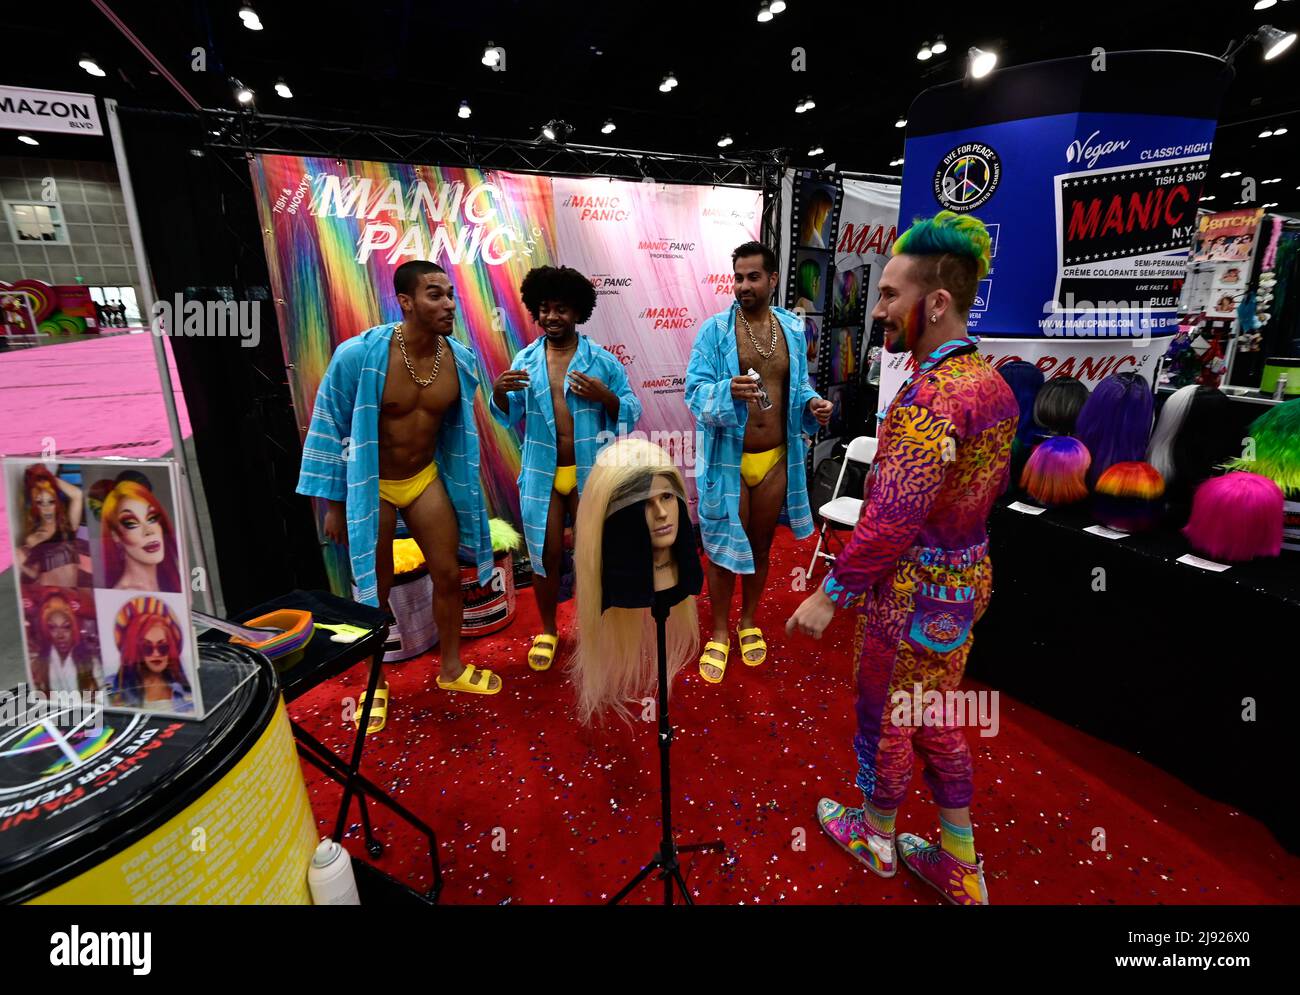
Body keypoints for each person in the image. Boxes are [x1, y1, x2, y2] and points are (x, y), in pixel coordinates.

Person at [787, 211, 1019, 906]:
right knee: (937, 710)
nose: (878, 310)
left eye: (889, 294)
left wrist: (831, 594)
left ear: (936, 302)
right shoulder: (995, 385)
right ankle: (960, 858)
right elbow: (986, 490)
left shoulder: (930, 397)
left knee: (889, 710)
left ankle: (877, 833)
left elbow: (890, 518)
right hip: (964, 581)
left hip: (911, 590)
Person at [298, 260, 500, 717]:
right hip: (374, 485)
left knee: (449, 574)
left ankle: (451, 668)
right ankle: (376, 684)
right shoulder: (359, 356)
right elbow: (330, 424)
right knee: (375, 590)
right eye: (435, 295)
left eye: (450, 294)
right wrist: (334, 504)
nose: (449, 304)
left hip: (424, 478)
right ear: (406, 302)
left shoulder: (460, 360)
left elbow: (456, 431)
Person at [684, 241, 832, 683]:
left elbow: (798, 389)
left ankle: (748, 621)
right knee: (722, 551)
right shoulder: (713, 331)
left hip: (776, 459)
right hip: (728, 459)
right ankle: (718, 632)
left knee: (762, 544)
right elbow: (694, 392)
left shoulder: (791, 328)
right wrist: (724, 392)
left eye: (752, 277)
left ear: (771, 279)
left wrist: (815, 405)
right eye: (737, 277)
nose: (743, 286)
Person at [490, 265, 641, 671]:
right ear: (535, 313)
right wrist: (499, 394)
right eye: (544, 309)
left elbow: (631, 412)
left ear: (578, 311)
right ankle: (548, 630)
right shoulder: (525, 359)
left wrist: (606, 396)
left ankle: (597, 628)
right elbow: (507, 416)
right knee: (545, 554)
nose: (552, 317)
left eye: (561, 308)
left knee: (594, 554)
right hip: (542, 474)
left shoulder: (602, 361)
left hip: (589, 472)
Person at [109, 596, 193, 712]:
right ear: (134, 649)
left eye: (163, 647)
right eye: (147, 647)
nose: (156, 653)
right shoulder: (112, 686)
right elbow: (91, 720)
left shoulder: (187, 689)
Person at [100, 476, 182, 592]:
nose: (149, 531)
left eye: (152, 518)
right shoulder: (123, 595)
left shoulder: (176, 579)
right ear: (116, 536)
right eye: (131, 523)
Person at [18, 465, 83, 588]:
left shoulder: (68, 525)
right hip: (48, 595)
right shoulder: (33, 538)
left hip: (71, 595)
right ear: (34, 506)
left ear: (57, 503)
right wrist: (19, 565)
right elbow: (35, 573)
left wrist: (46, 477)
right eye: (40, 502)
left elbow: (77, 494)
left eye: (51, 501)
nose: (47, 509)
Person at [29, 589, 101, 697]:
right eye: (53, 627)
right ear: (46, 630)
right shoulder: (37, 666)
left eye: (66, 627)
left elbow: (103, 701)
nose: (60, 635)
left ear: (74, 628)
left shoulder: (92, 664)